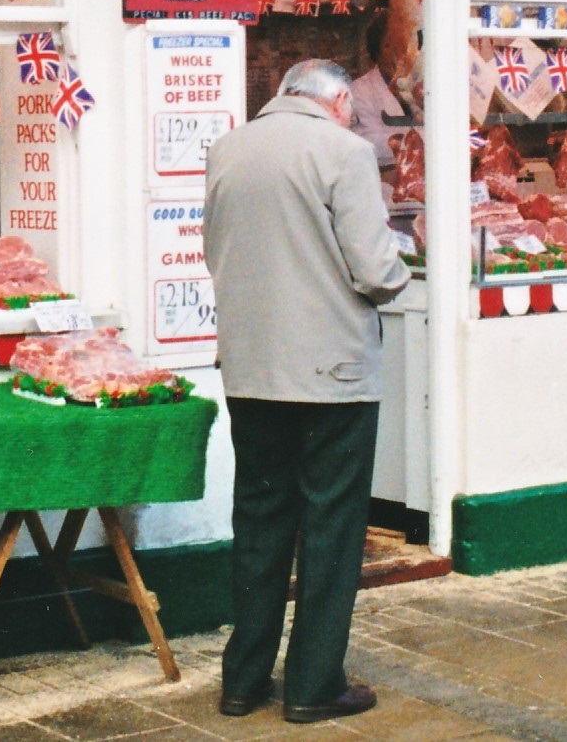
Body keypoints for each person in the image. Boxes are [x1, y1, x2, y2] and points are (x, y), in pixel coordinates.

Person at [203, 59, 411, 723]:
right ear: (341, 100)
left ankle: (244, 680)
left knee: (260, 522)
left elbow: (215, 250)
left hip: (250, 370)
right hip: (332, 376)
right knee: (330, 529)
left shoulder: (228, 148)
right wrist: (402, 266)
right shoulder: (345, 152)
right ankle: (313, 683)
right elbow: (377, 271)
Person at [349, 14, 410, 169]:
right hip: (382, 185)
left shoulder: (428, 87)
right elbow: (365, 142)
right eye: (389, 45)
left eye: (402, 44)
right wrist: (416, 142)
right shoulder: (359, 91)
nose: (398, 53)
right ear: (376, 50)